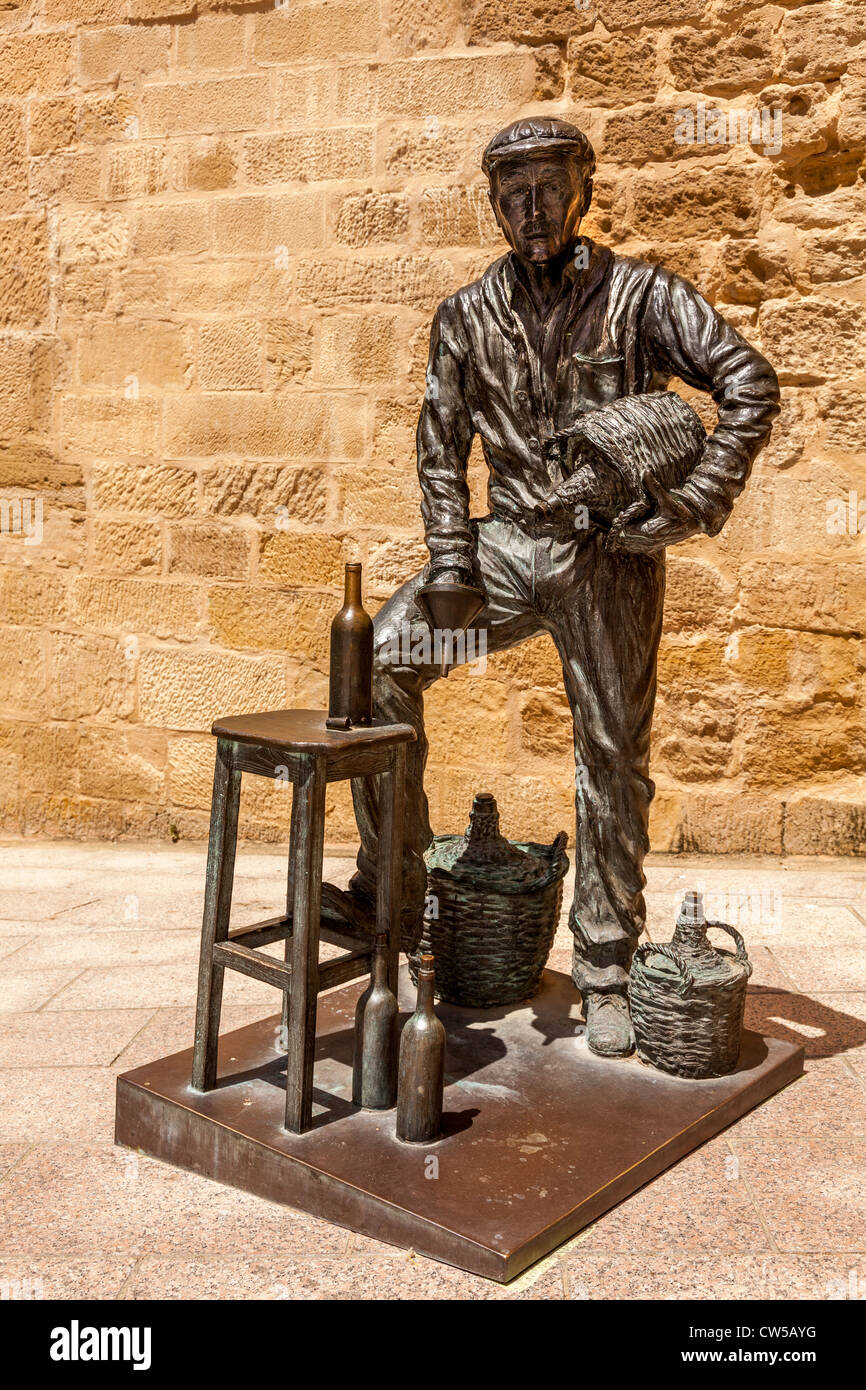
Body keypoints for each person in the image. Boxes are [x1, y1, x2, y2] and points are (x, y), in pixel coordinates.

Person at [350, 116, 780, 1057]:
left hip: (605, 556)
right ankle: (397, 892)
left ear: (581, 191)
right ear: (493, 205)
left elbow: (748, 380)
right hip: (502, 552)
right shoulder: (466, 316)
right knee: (380, 664)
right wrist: (454, 563)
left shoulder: (642, 297)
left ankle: (606, 965)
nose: (530, 209)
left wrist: (700, 496)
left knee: (611, 752)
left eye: (547, 189)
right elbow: (438, 448)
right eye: (511, 195)